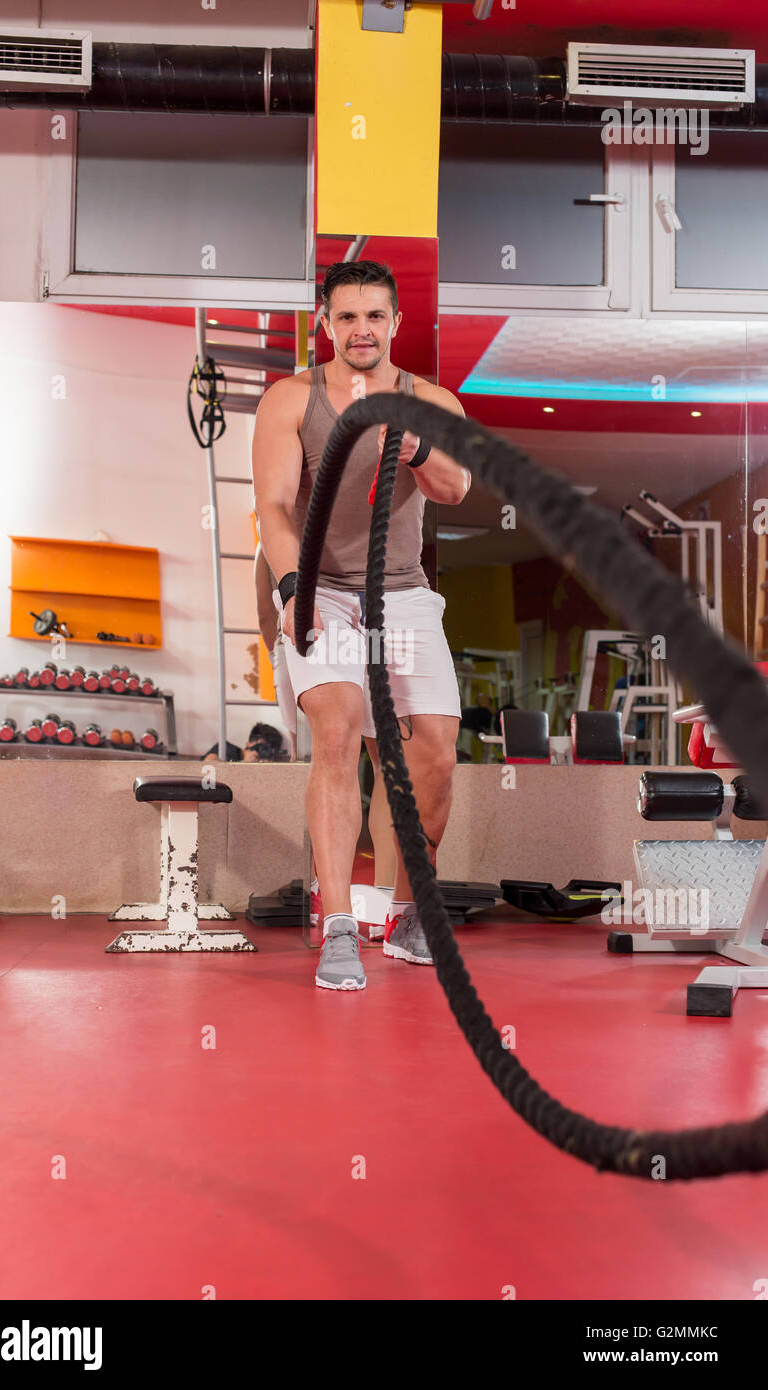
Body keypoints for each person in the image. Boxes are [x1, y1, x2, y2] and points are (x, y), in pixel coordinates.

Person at [253, 259, 469, 991]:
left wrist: (418, 450)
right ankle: (339, 925)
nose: (360, 329)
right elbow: (277, 507)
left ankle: (408, 916)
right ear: (324, 322)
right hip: (319, 586)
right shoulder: (290, 398)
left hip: (401, 591)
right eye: (345, 316)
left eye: (374, 315)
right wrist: (292, 590)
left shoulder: (431, 399)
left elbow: (457, 487)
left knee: (433, 754)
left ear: (395, 323)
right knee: (339, 730)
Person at [255, 539, 399, 930]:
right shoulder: (286, 527)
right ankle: (326, 888)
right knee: (335, 747)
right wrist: (277, 653)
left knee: (388, 755)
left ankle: (386, 895)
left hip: (377, 622)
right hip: (314, 620)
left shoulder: (384, 523)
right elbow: (265, 598)